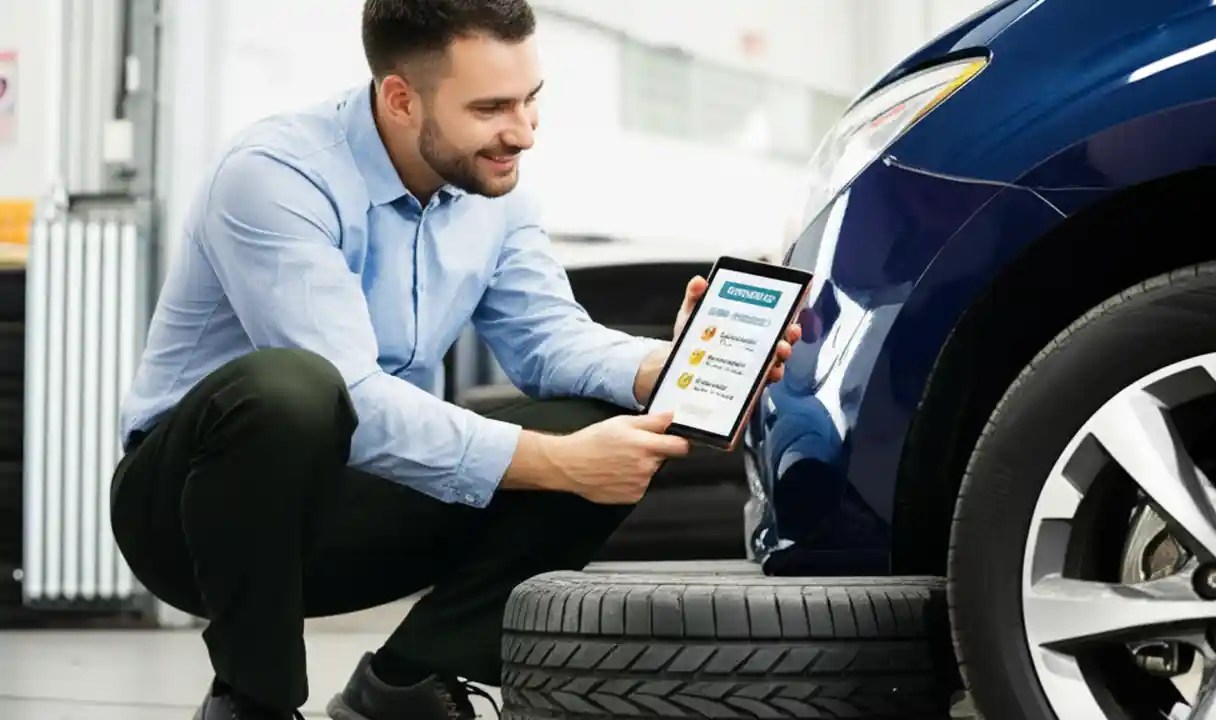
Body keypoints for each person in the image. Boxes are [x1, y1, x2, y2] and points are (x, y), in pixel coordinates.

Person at [110, 1, 800, 719]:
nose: (523, 132)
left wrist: (666, 368)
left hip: (357, 495)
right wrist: (558, 463)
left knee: (607, 420)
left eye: (531, 100)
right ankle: (253, 699)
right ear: (401, 98)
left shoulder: (493, 190)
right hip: (194, 518)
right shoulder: (277, 177)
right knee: (292, 389)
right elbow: (355, 400)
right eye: (492, 107)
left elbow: (549, 340)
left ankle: (409, 681)